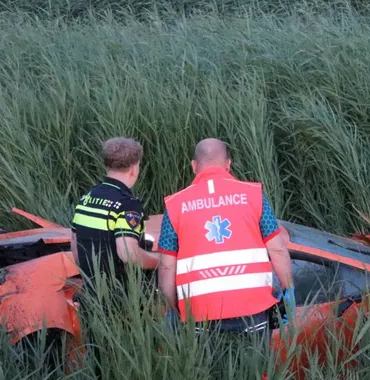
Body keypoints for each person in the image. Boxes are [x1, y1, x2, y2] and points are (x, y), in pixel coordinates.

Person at [156, 138, 295, 347]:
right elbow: (277, 249)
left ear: (194, 166)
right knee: (255, 375)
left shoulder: (175, 205)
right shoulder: (253, 195)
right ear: (228, 164)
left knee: (207, 377)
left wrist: (169, 309)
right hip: (252, 309)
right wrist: (289, 290)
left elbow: (167, 264)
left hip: (200, 313)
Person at [70, 137, 160, 308]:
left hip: (92, 294)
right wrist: (159, 262)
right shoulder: (127, 204)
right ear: (134, 169)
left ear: (107, 165)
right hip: (121, 297)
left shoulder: (86, 199)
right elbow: (128, 254)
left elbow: (75, 243)